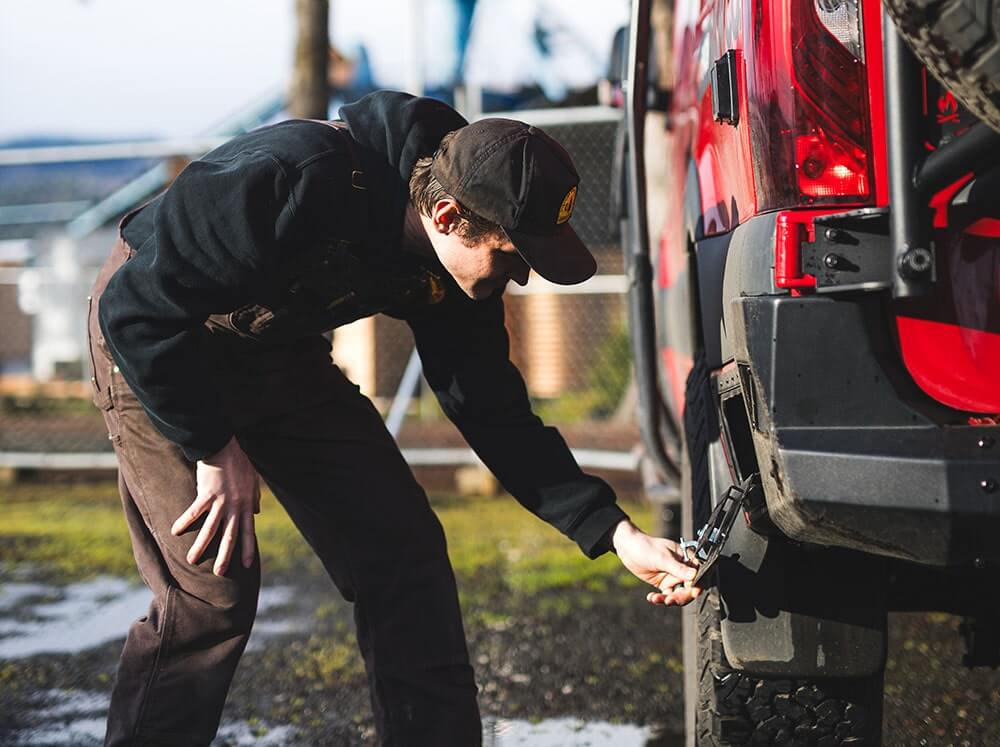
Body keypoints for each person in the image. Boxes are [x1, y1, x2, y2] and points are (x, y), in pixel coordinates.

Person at [87, 90, 700, 747]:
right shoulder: (291, 175)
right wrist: (213, 445)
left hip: (273, 352)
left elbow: (494, 413)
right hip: (158, 338)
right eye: (511, 256)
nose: (519, 279)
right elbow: (136, 307)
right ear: (446, 214)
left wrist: (616, 532)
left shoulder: (461, 271)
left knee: (402, 550)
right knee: (211, 592)